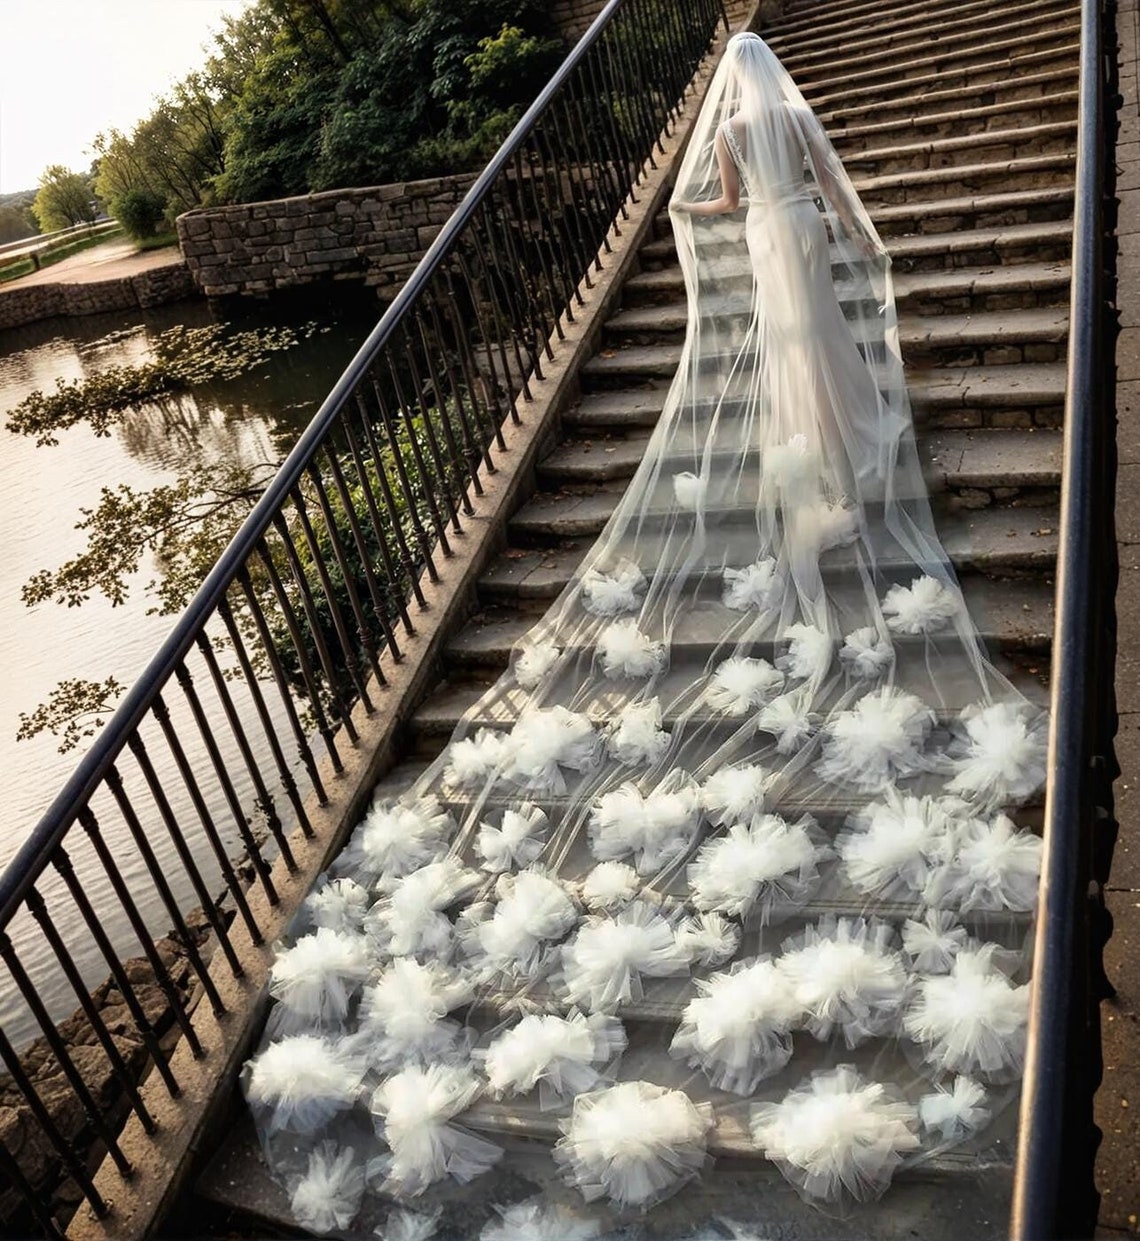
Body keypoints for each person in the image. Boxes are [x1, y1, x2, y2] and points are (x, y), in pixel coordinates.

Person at [241, 31, 1048, 1237]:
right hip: (811, 252)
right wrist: (846, 242)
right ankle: (839, 464)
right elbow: (836, 201)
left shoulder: (725, 130)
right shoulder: (794, 121)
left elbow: (706, 203)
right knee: (821, 355)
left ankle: (806, 481)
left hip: (766, 258)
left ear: (728, 86)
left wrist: (714, 208)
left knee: (780, 363)